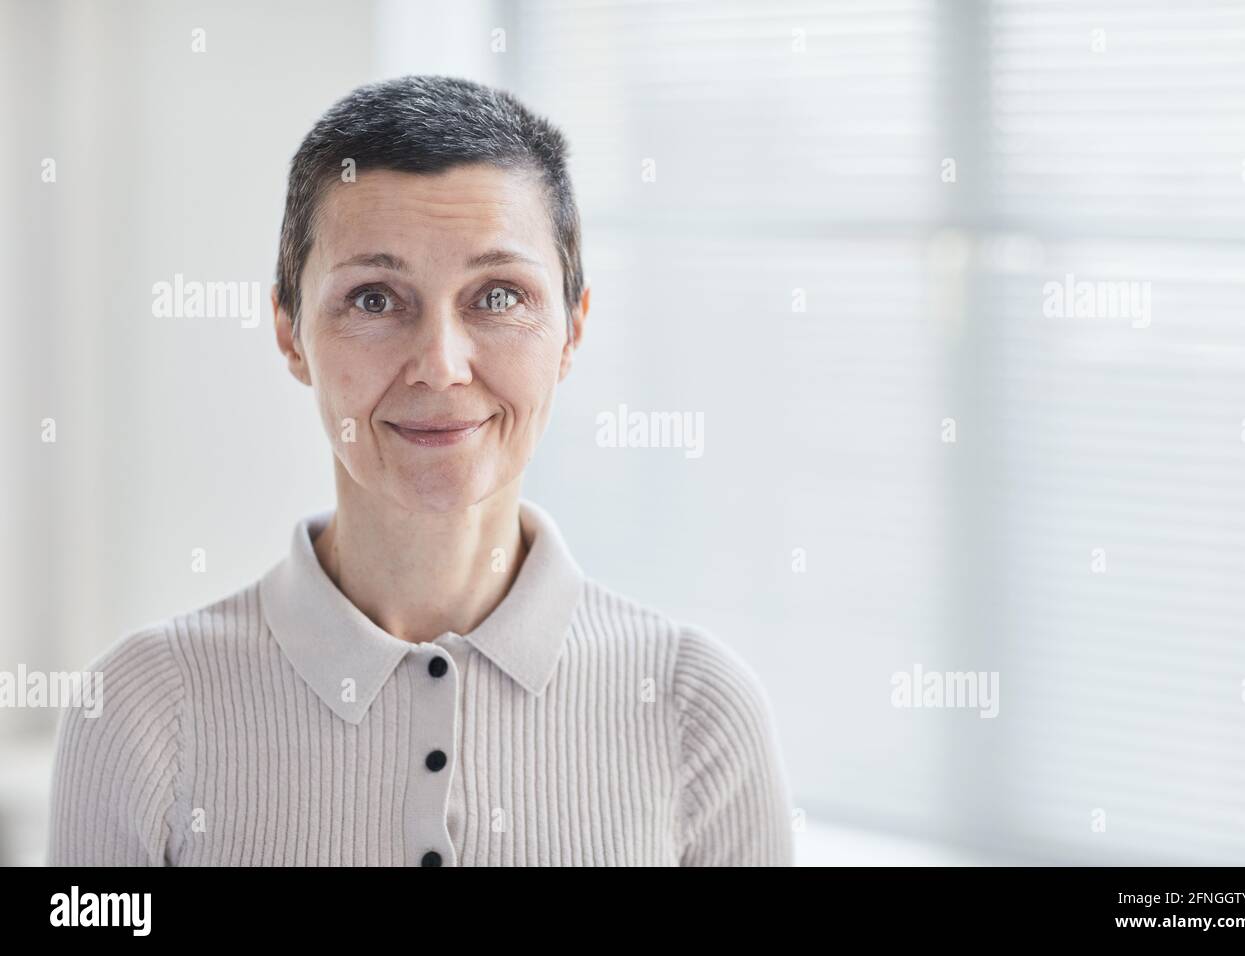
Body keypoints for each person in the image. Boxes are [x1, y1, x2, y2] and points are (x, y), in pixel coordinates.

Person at [46, 75, 794, 866]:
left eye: (498, 295)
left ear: (572, 331)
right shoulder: (141, 708)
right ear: (290, 333)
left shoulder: (696, 710)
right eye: (374, 299)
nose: (440, 366)